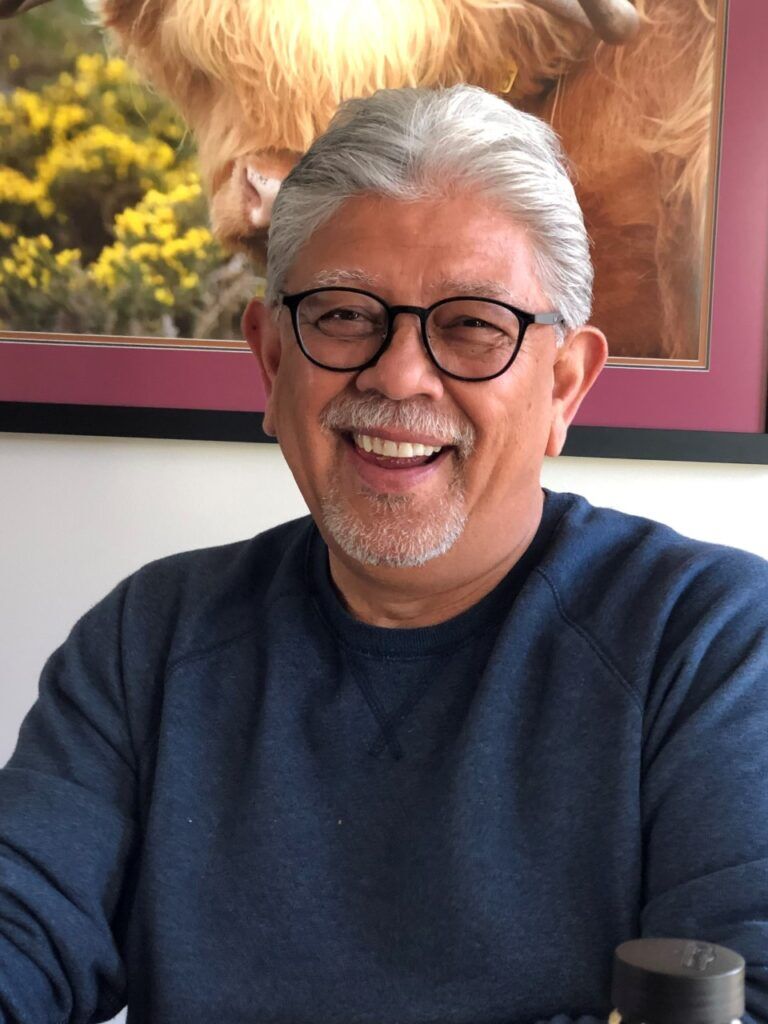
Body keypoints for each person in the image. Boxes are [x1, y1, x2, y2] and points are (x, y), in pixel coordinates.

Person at [1, 85, 766, 1024]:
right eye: (343, 316)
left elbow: (745, 999)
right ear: (272, 363)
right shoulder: (149, 641)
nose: (400, 375)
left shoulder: (712, 643)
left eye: (473, 324)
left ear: (565, 386)